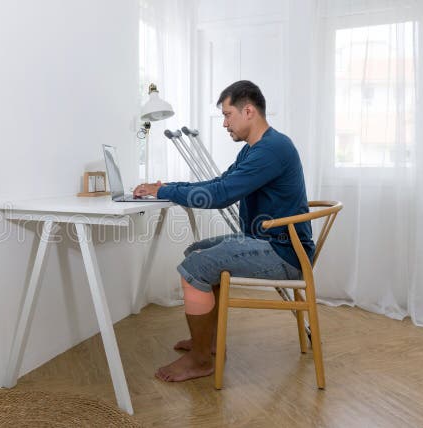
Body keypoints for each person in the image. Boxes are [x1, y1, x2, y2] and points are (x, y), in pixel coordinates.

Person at [133, 80, 314, 382]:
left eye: (228, 115)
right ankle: (210, 339)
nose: (225, 124)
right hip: (266, 241)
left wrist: (164, 189)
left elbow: (220, 195)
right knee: (195, 251)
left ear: (248, 111)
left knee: (195, 266)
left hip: (285, 253)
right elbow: (216, 184)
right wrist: (165, 188)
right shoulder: (254, 150)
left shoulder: (272, 149)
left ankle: (201, 360)